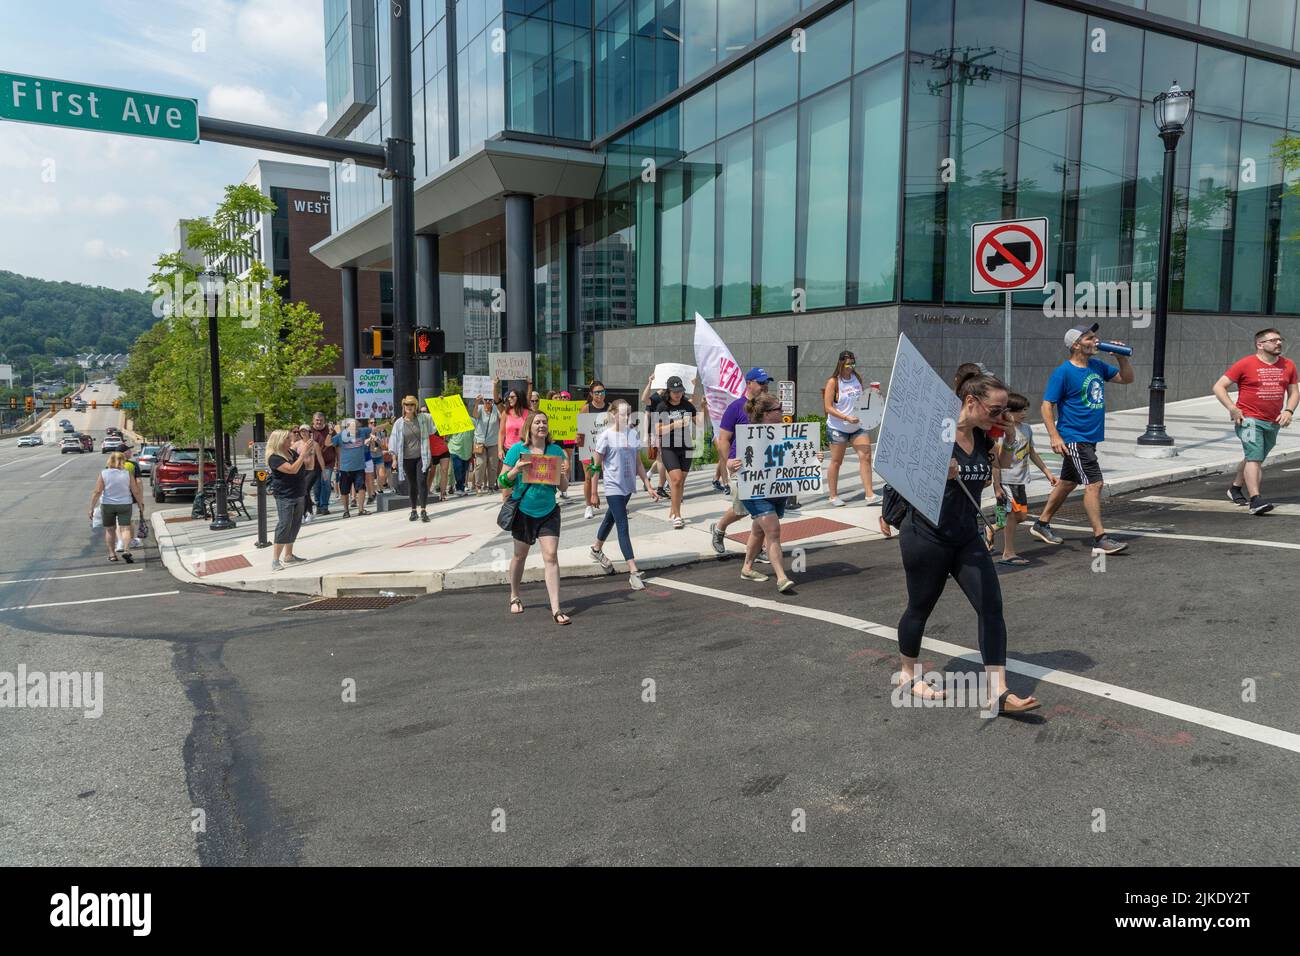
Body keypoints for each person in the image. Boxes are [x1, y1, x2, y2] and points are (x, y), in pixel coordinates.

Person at [894, 370, 1040, 716]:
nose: (1001, 416)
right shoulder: (934, 433)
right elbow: (901, 471)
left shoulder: (984, 436)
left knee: (991, 606)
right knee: (920, 606)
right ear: (971, 402)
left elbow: (999, 469)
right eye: (996, 410)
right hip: (925, 535)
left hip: (966, 536)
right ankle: (906, 673)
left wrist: (1006, 433)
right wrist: (934, 470)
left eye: (1005, 410)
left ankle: (999, 692)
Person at [1030, 323, 1133, 554]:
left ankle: (1041, 524)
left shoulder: (1096, 365)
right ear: (1076, 345)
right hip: (1074, 436)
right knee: (1094, 483)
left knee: (1068, 482)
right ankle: (1100, 538)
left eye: (1095, 337)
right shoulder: (1064, 372)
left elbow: (1127, 379)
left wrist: (1121, 358)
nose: (1095, 341)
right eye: (1089, 338)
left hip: (1090, 436)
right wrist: (1054, 436)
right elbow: (1047, 406)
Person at [726, 392, 809, 593]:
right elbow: (730, 461)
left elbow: (798, 455)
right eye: (778, 409)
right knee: (773, 531)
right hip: (755, 491)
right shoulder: (749, 434)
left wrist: (813, 456)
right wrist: (732, 464)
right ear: (766, 414)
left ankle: (747, 568)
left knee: (758, 530)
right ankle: (781, 577)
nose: (782, 411)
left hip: (776, 489)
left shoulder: (786, 432)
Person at [1213, 328, 1298, 515]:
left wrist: (1289, 410)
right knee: (1254, 457)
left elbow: (1294, 392)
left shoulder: (1288, 365)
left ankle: (1235, 487)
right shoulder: (1245, 364)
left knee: (1255, 456)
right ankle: (1256, 500)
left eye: (1280, 340)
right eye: (1273, 340)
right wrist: (1232, 408)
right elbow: (1219, 386)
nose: (1279, 343)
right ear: (1260, 344)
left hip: (1273, 421)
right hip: (1248, 419)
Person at [501, 411, 572, 625]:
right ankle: (514, 595)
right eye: (537, 422)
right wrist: (515, 470)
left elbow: (564, 487)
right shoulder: (517, 450)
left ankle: (556, 608)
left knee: (551, 556)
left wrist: (561, 473)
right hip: (524, 511)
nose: (541, 425)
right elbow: (502, 481)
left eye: (544, 422)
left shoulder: (556, 450)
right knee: (520, 556)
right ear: (529, 427)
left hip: (548, 511)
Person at [589, 400, 660, 589]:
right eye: (623, 414)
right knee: (622, 524)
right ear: (613, 415)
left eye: (629, 413)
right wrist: (594, 492)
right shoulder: (605, 436)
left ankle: (596, 549)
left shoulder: (632, 434)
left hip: (628, 486)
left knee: (610, 518)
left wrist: (648, 485)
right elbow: (596, 466)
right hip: (612, 486)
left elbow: (638, 464)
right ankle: (633, 571)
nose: (627, 417)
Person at [710, 368, 772, 561]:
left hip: (764, 465)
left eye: (766, 383)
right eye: (761, 382)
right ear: (749, 383)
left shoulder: (768, 407)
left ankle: (759, 549)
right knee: (742, 509)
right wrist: (727, 461)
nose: (764, 386)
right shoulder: (736, 407)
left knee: (763, 509)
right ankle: (719, 528)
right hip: (741, 466)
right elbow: (723, 439)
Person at [989, 393, 1056, 566]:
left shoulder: (1027, 429)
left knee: (1022, 516)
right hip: (1007, 480)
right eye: (1019, 411)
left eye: (1025, 410)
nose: (1023, 413)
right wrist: (997, 486)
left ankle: (990, 529)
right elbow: (995, 461)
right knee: (1013, 515)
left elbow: (1031, 452)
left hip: (1021, 480)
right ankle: (1008, 553)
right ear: (1008, 412)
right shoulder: (1002, 432)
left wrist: (1046, 471)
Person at [644, 373, 704, 529]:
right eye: (675, 392)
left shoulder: (687, 405)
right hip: (669, 446)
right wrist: (674, 425)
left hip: (686, 446)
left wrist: (702, 408)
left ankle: (673, 508)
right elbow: (657, 430)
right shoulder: (663, 406)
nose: (678, 394)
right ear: (669, 392)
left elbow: (699, 423)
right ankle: (678, 516)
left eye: (680, 391)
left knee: (680, 482)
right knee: (676, 479)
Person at [823, 350, 881, 507]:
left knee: (866, 456)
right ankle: (833, 496)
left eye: (853, 363)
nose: (851, 366)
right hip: (838, 427)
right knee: (836, 461)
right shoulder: (833, 382)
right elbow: (828, 407)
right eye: (848, 363)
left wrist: (873, 395)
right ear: (841, 363)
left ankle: (869, 494)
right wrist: (846, 417)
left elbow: (861, 401)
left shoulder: (857, 378)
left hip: (857, 426)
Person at [266, 428, 313, 571]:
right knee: (284, 524)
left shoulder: (291, 452)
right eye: (287, 438)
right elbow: (292, 469)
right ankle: (275, 560)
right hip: (285, 496)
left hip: (298, 493)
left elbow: (306, 466)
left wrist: (308, 452)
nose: (290, 439)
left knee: (295, 524)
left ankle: (289, 555)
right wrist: (303, 453)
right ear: (279, 441)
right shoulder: (274, 457)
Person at [90, 451, 144, 564]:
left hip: (107, 504)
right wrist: (140, 504)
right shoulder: (127, 473)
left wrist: (91, 507)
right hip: (125, 504)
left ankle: (112, 554)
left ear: (109, 461)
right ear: (123, 461)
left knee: (110, 529)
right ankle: (126, 550)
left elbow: (97, 491)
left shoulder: (104, 473)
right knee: (125, 528)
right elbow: (135, 491)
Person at [391, 395, 434, 522]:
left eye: (412, 405)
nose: (409, 407)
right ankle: (414, 510)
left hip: (422, 456)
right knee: (412, 483)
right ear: (403, 407)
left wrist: (440, 403)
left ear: (415, 407)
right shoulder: (399, 423)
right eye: (407, 405)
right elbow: (394, 442)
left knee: (422, 482)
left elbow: (436, 420)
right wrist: (394, 459)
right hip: (407, 459)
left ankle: (424, 510)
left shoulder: (423, 418)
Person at [578, 380, 609, 519]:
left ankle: (615, 504)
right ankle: (588, 506)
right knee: (588, 478)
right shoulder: (586, 408)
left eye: (602, 391)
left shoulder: (610, 407)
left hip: (607, 448)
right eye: (596, 392)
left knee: (610, 477)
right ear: (591, 394)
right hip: (589, 447)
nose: (600, 394)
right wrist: (579, 441)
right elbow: (581, 430)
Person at [330, 418, 372, 517]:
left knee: (361, 488)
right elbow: (328, 443)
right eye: (354, 426)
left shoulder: (362, 432)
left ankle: (361, 510)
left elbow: (376, 428)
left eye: (357, 426)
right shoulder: (341, 436)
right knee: (344, 491)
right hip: (345, 468)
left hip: (359, 467)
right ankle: (346, 511)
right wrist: (330, 433)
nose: (356, 428)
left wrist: (389, 423)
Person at [498, 387, 530, 500]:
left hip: (524, 450)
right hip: (508, 450)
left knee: (522, 483)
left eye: (512, 397)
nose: (509, 399)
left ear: (519, 398)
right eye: (508, 397)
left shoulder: (528, 413)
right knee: (506, 483)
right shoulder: (505, 413)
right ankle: (507, 508)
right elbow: (501, 433)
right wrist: (500, 449)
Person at [473, 387, 501, 495]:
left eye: (490, 399)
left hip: (493, 442)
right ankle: (478, 486)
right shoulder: (479, 408)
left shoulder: (496, 409)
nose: (488, 402)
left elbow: (502, 416)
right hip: (480, 442)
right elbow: (475, 415)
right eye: (486, 400)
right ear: (483, 400)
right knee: (480, 464)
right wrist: (476, 403)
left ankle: (491, 486)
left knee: (493, 465)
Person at [309, 411, 337, 515]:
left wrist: (338, 462)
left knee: (325, 483)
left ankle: (324, 506)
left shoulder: (331, 431)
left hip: (328, 463)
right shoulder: (309, 431)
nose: (319, 422)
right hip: (314, 463)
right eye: (317, 420)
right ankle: (318, 505)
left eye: (321, 420)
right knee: (316, 486)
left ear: (324, 421)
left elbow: (336, 447)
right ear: (313, 420)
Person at [447, 399, 474, 496]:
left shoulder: (472, 421)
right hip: (455, 449)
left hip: (467, 450)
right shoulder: (452, 421)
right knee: (457, 468)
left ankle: (461, 487)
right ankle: (457, 487)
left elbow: (475, 435)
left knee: (464, 469)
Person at [426, 419, 452, 502]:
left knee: (444, 471)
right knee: (431, 473)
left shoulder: (441, 423)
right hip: (432, 452)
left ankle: (443, 494)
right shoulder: (425, 424)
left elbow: (447, 435)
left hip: (443, 450)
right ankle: (426, 492)